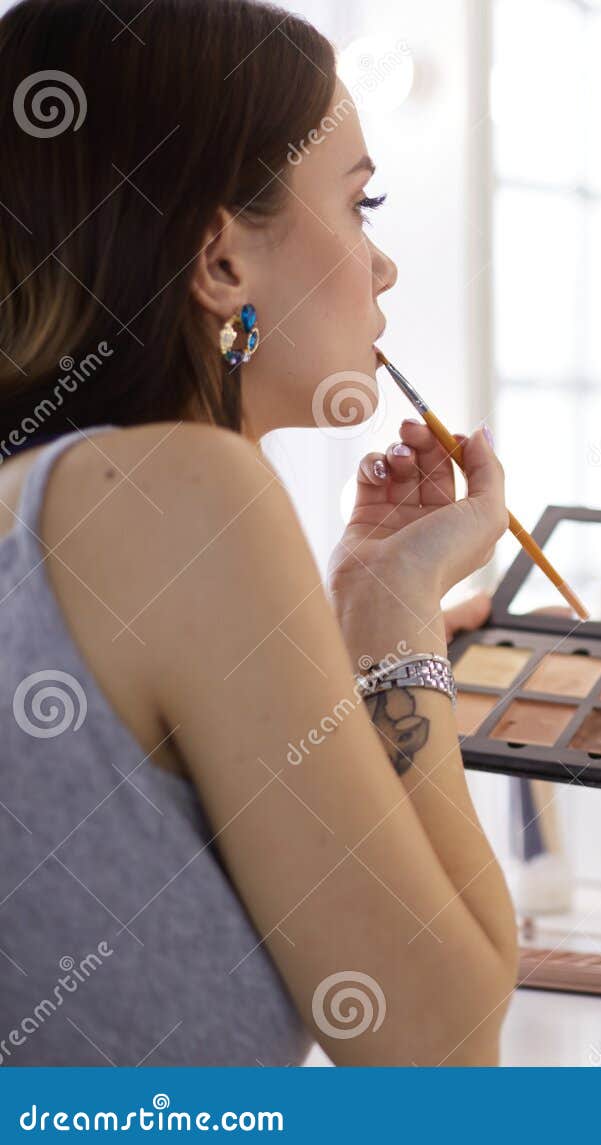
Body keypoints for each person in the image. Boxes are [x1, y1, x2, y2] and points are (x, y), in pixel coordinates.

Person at [0, 0, 517, 1064]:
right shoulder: (187, 494)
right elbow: (440, 1049)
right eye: (360, 203)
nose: (384, 268)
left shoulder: (47, 502)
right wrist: (390, 610)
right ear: (221, 263)